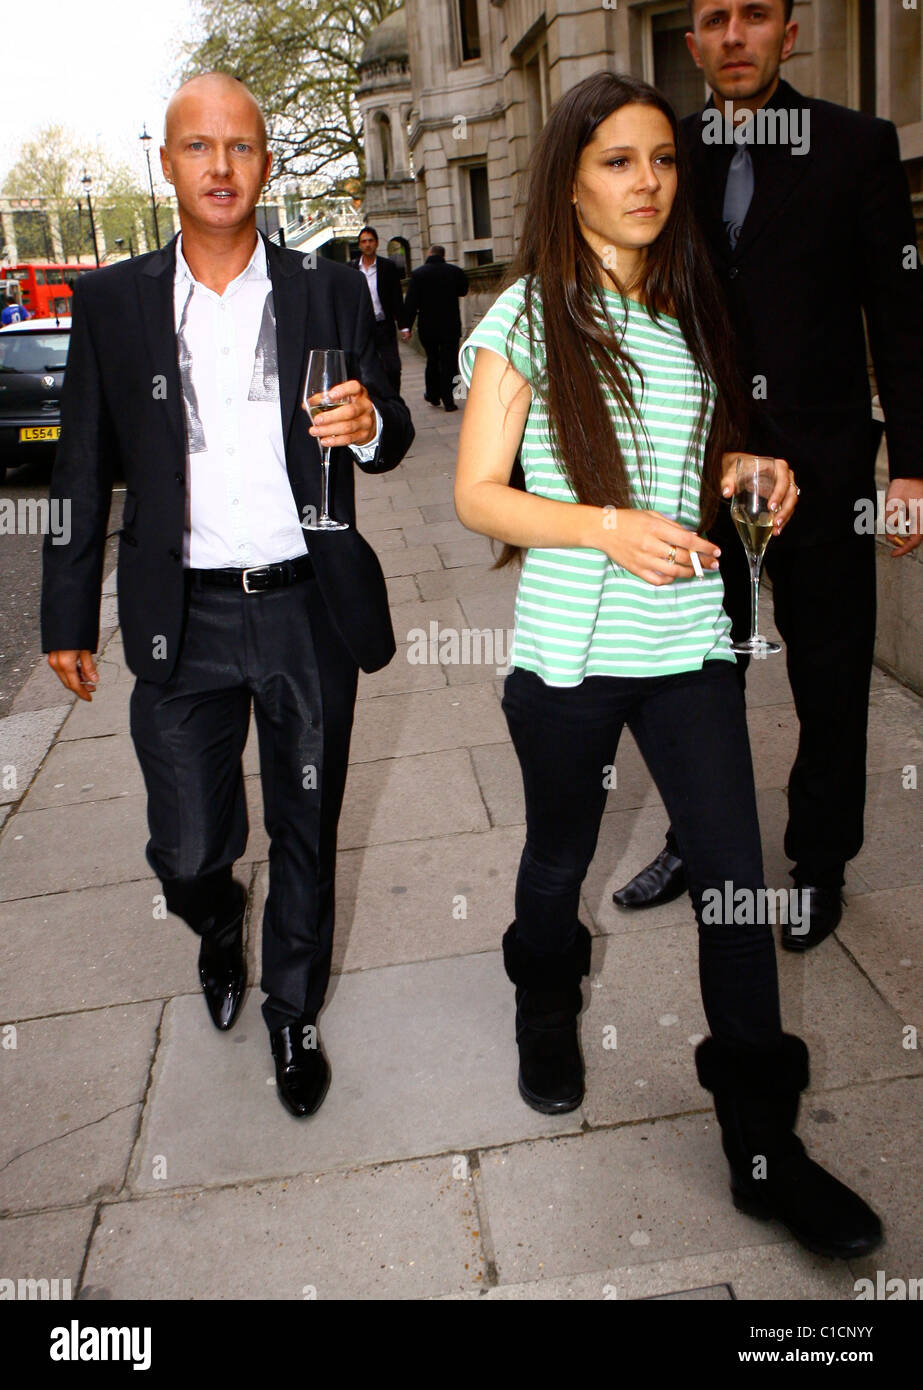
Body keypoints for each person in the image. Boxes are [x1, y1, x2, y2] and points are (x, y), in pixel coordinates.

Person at [455, 70, 881, 1259]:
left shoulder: (696, 305)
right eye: (615, 161)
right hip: (572, 655)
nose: (646, 181)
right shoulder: (527, 315)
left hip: (689, 643)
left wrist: (754, 473)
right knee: (557, 863)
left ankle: (762, 1148)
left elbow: (698, 453)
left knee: (734, 888)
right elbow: (475, 494)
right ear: (569, 179)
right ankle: (545, 997)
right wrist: (599, 522)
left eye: (659, 158)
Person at [41, 73, 414, 1119]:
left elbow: (393, 422)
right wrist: (67, 614)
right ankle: (213, 917)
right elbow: (81, 466)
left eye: (241, 147)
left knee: (306, 820)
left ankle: (292, 1011)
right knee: (189, 844)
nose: (219, 166)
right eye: (197, 147)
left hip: (305, 608)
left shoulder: (328, 288)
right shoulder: (114, 302)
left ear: (263, 161)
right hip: (182, 615)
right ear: (165, 162)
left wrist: (371, 427)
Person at [612, 0, 923, 949]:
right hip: (695, 469)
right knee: (693, 672)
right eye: (714, 18)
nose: (734, 36)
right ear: (692, 40)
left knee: (828, 680)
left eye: (755, 15)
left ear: (787, 34)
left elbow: (900, 317)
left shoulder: (855, 146)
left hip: (825, 472)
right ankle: (694, 837)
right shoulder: (663, 158)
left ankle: (818, 863)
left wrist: (909, 468)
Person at [400, 245, 469, 411]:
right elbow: (463, 291)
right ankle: (449, 399)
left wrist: (406, 326)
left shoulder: (418, 274)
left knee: (432, 360)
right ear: (443, 255)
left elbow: (411, 303)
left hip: (428, 326)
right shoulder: (455, 272)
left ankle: (432, 394)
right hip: (450, 325)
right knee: (449, 361)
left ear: (429, 254)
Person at [349, 225, 404, 393]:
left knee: (393, 367)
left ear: (377, 243)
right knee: (365, 368)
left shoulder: (388, 267)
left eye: (370, 241)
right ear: (359, 245)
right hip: (362, 327)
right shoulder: (351, 269)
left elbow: (396, 296)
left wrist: (404, 325)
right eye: (364, 241)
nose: (367, 245)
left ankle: (394, 398)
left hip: (383, 325)